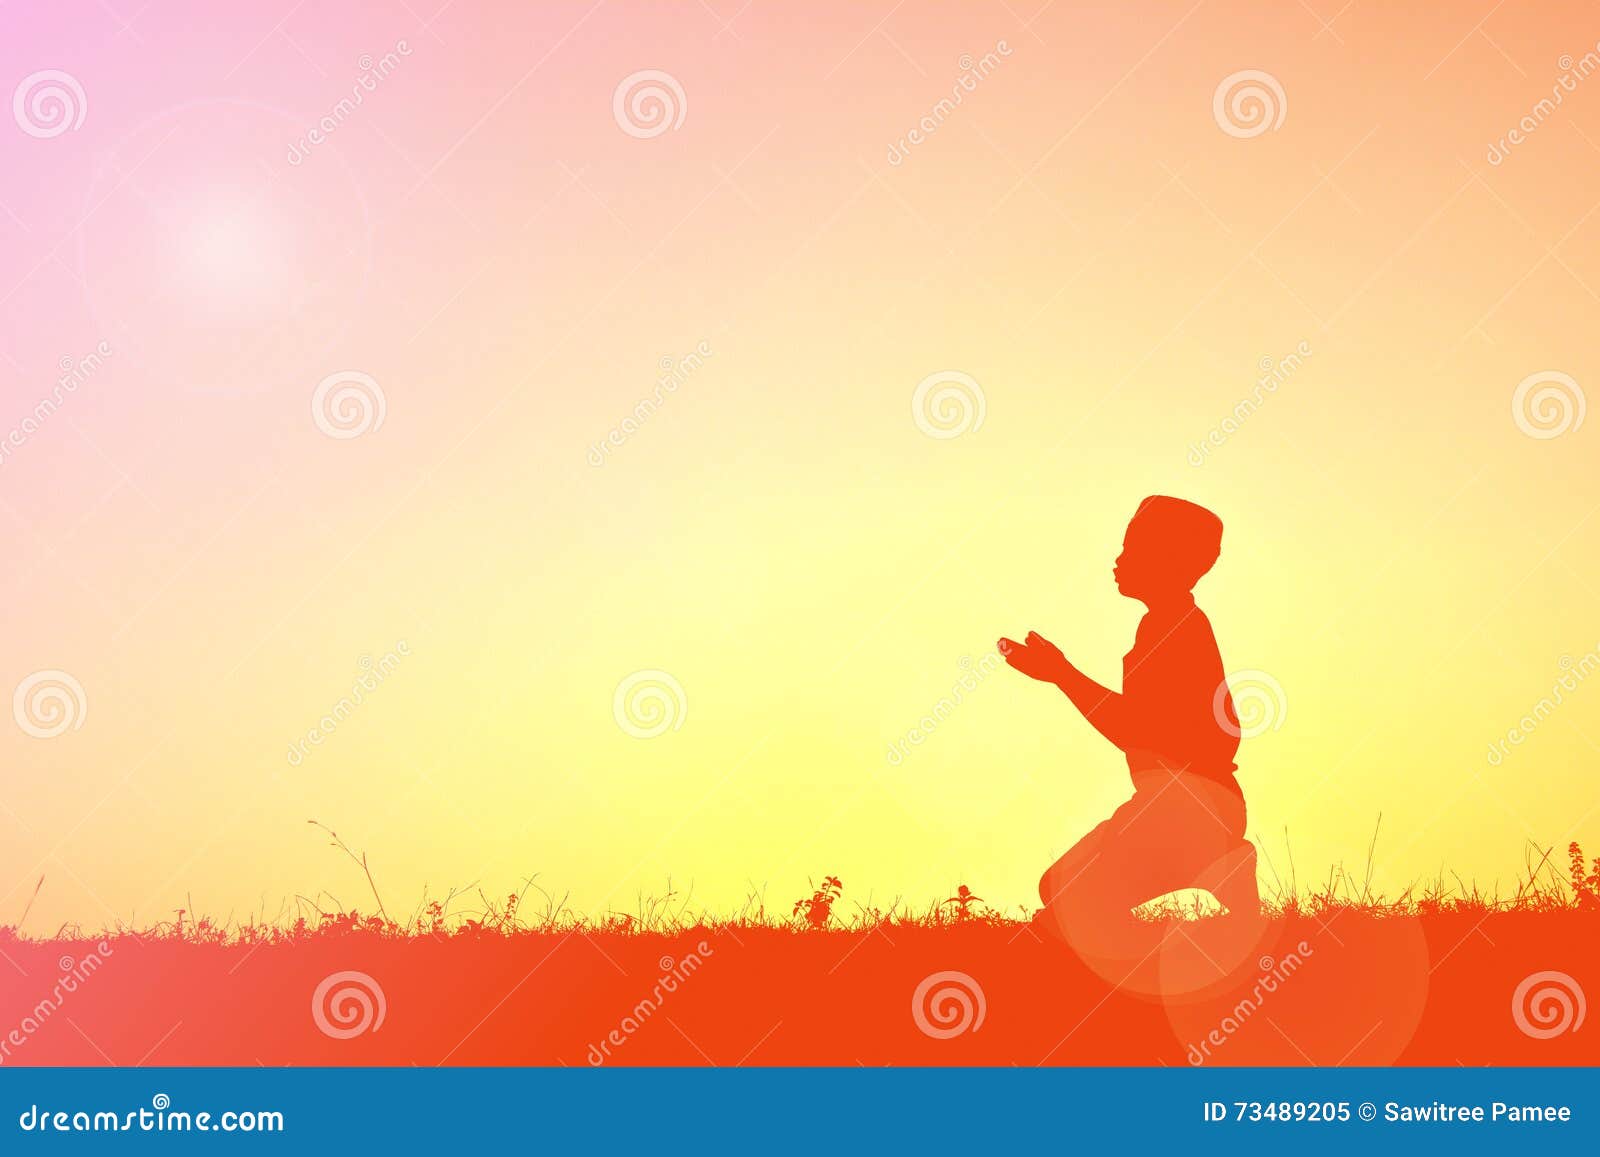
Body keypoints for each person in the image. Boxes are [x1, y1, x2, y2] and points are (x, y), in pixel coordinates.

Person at [999, 496, 1258, 958]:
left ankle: (1222, 867)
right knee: (1054, 887)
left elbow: (1135, 729)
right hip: (1176, 806)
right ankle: (1218, 862)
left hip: (1184, 811)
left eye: (1132, 549)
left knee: (1068, 911)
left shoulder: (1174, 629)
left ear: (1169, 562)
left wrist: (1061, 674)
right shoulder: (1170, 625)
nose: (1118, 560)